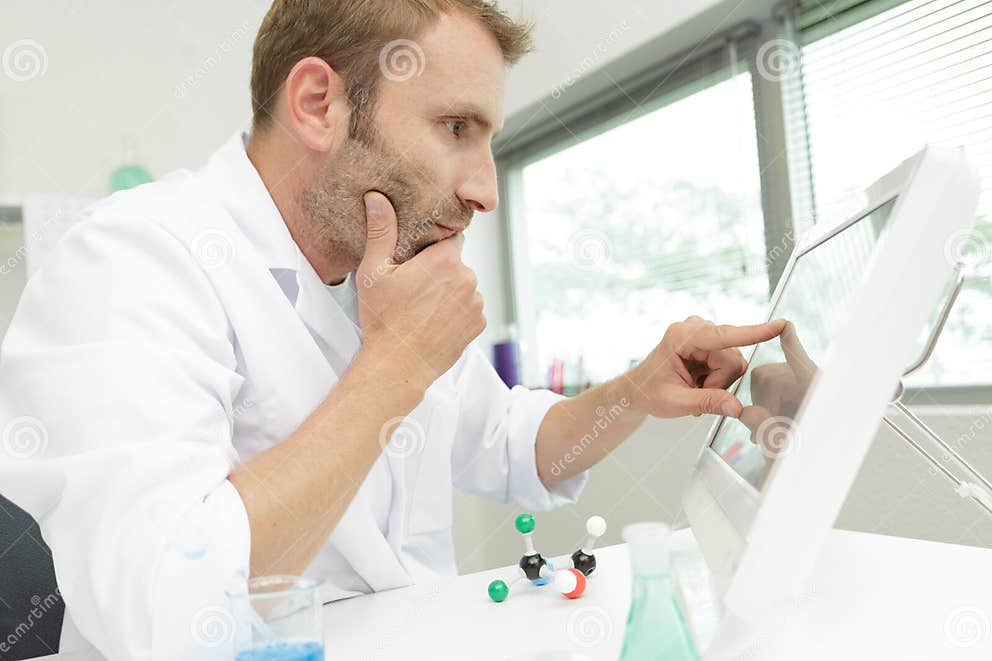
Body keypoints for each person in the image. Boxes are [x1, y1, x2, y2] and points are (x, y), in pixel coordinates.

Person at [0, 1, 785, 657]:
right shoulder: (132, 259)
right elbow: (166, 603)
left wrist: (633, 393)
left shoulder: (384, 274)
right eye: (454, 128)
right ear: (319, 105)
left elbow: (511, 439)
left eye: (489, 141)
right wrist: (395, 364)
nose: (484, 189)